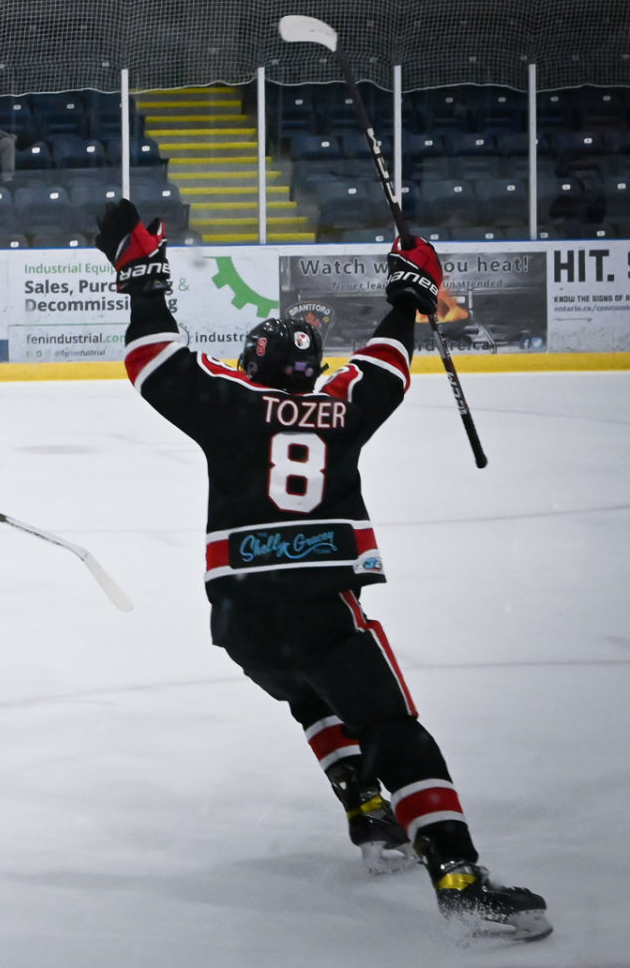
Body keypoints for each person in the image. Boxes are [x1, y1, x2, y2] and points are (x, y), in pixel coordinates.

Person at [96, 197, 549, 942]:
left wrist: (145, 279)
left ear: (252, 365)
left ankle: (371, 819)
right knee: (392, 727)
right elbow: (388, 366)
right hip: (322, 600)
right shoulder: (341, 404)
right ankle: (460, 879)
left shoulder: (230, 403)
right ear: (311, 370)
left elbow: (154, 359)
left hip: (238, 615)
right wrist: (409, 291)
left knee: (311, 699)